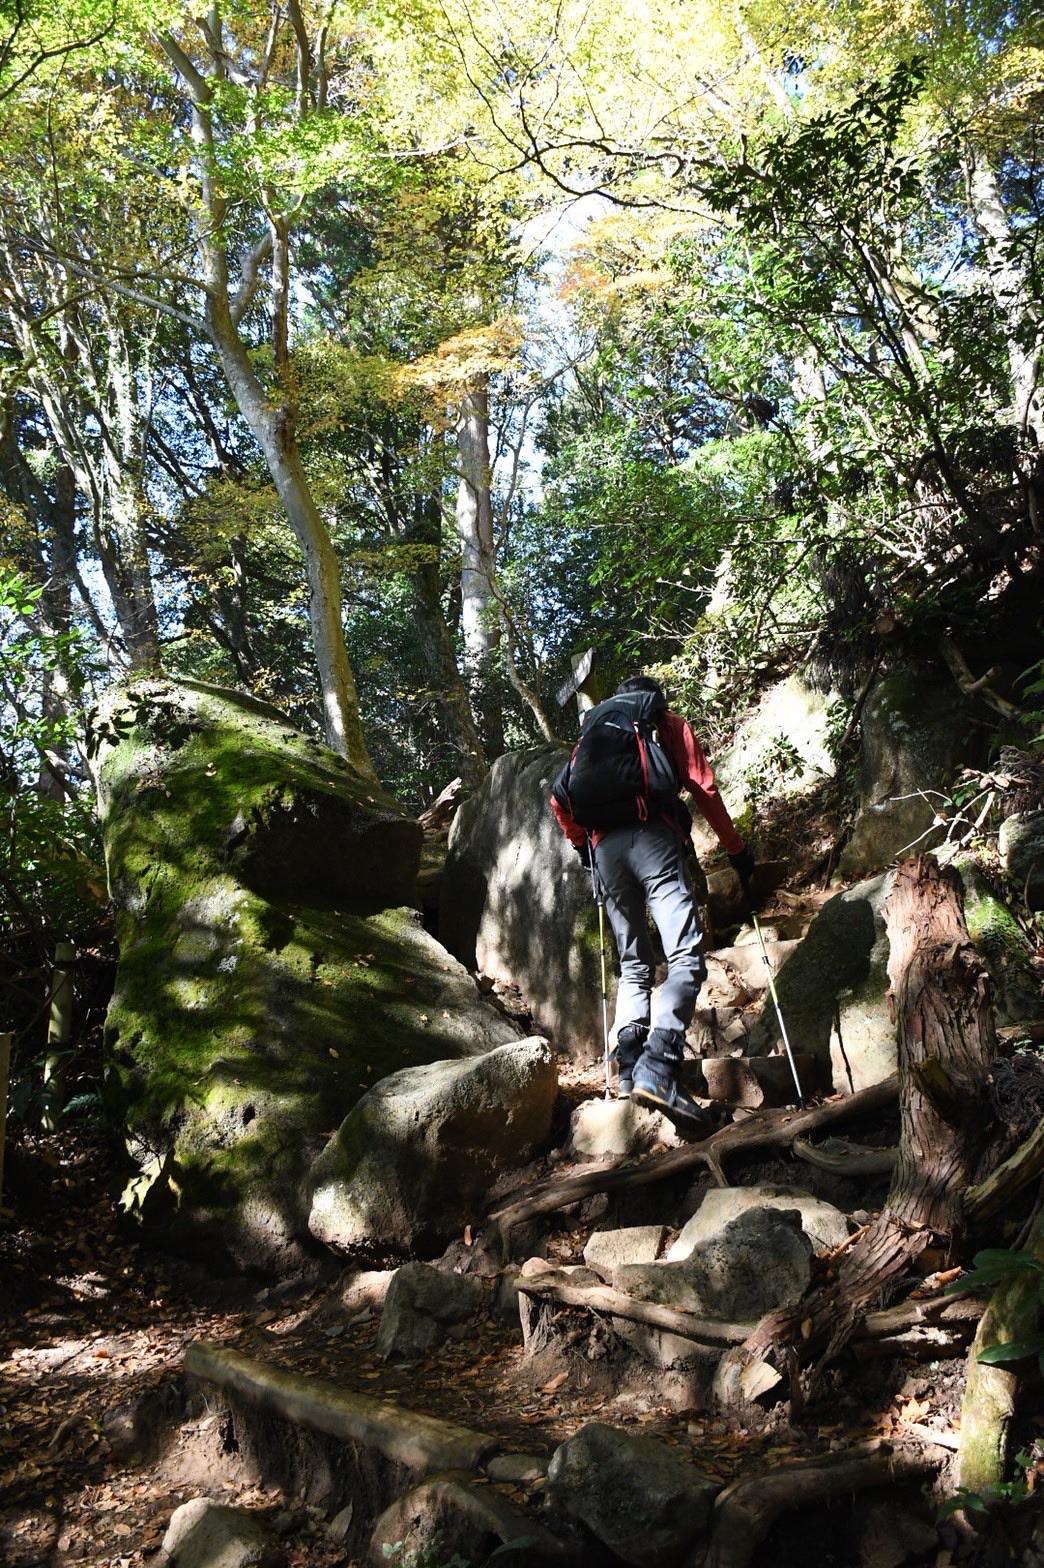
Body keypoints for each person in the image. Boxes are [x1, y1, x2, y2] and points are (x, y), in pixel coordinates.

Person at [550, 675, 753, 1131]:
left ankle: (628, 1071)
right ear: (653, 698)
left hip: (605, 853)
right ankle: (659, 1065)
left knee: (634, 963)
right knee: (685, 954)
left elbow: (560, 799)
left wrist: (585, 847)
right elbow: (704, 788)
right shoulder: (663, 723)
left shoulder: (592, 736)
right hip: (652, 839)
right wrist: (736, 850)